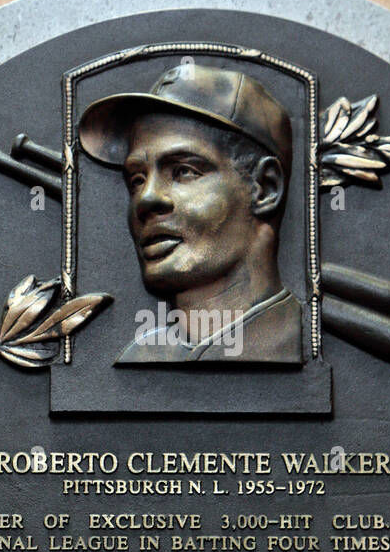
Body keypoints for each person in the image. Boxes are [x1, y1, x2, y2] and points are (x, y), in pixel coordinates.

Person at [77, 63, 303, 364]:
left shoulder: (298, 342)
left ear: (265, 187)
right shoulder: (142, 357)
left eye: (184, 171)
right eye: (137, 180)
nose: (145, 199)